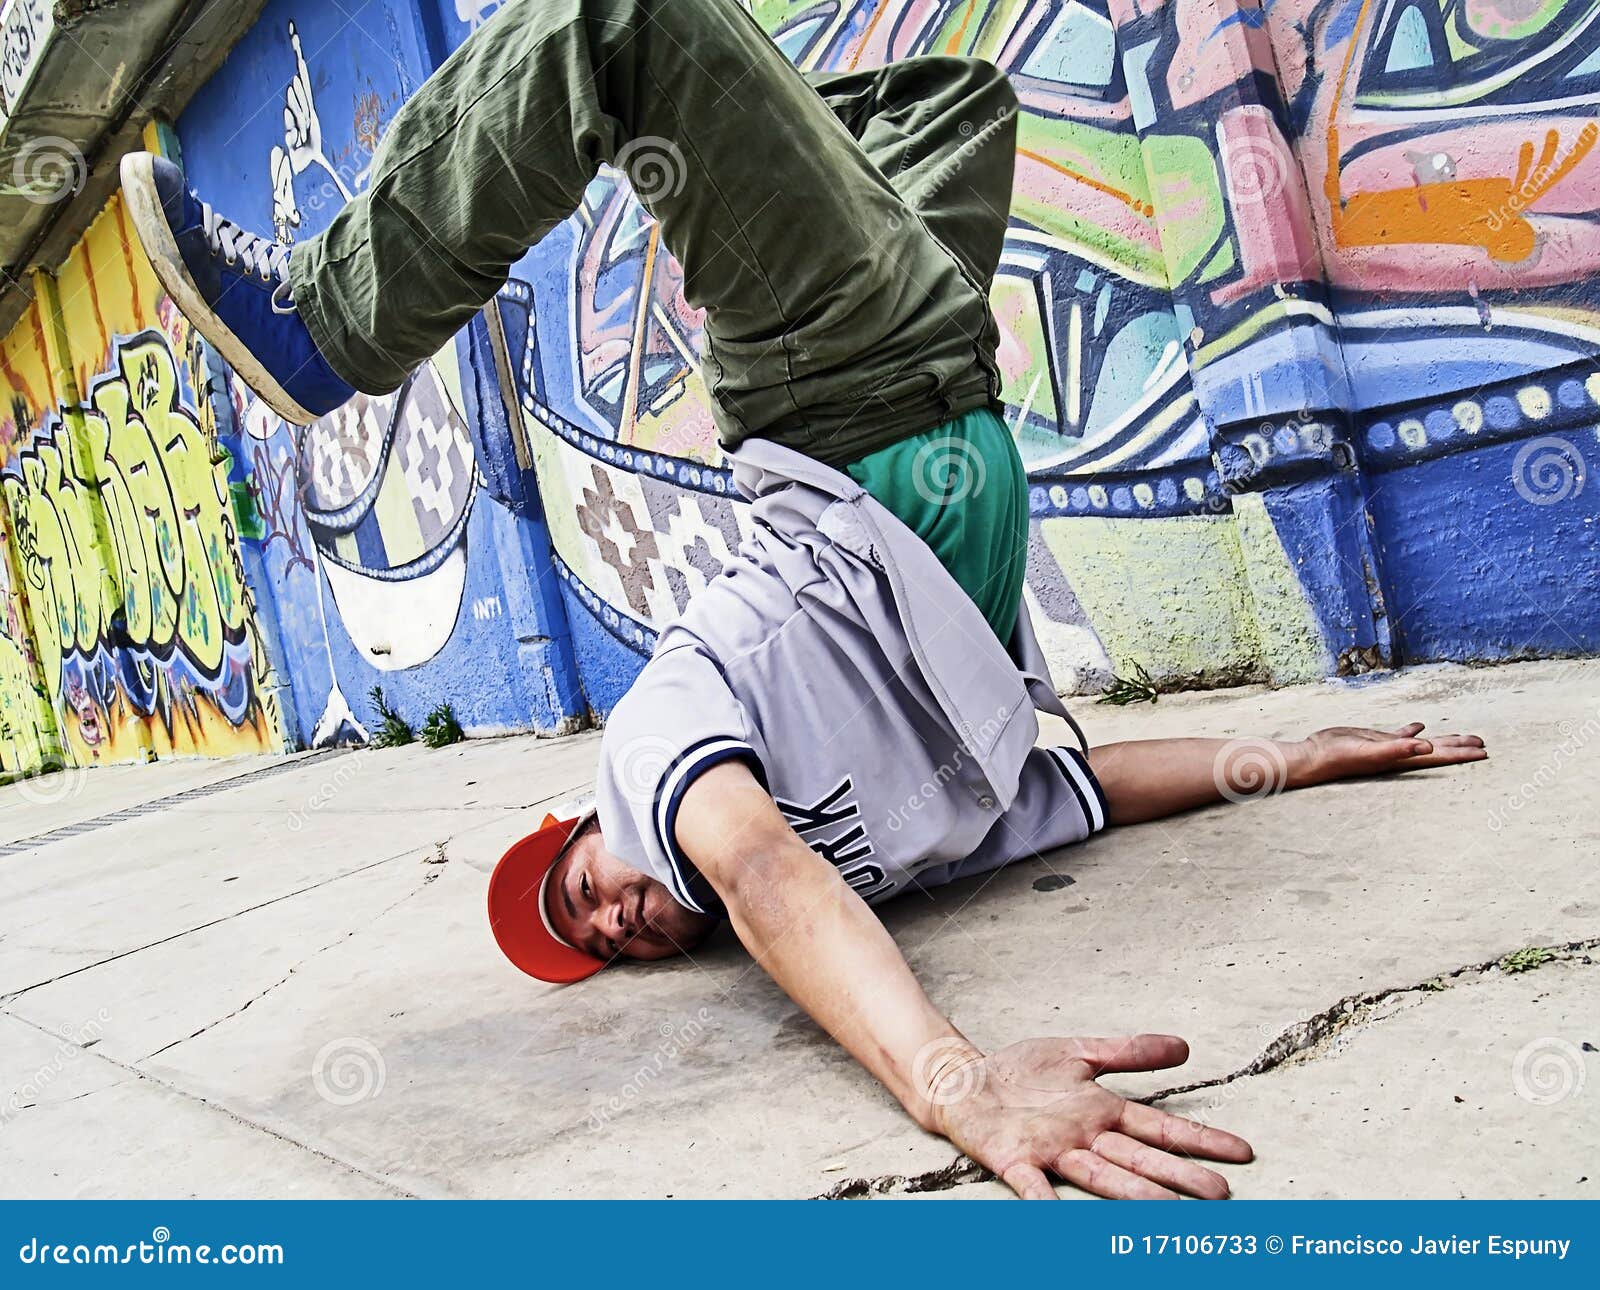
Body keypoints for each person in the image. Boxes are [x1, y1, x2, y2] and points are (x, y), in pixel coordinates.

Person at [121, 0, 1489, 1199]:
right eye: (607, 946)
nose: (609, 920)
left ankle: (334, 314)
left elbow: (759, 869)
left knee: (626, 22)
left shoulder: (658, 742)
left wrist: (952, 1084)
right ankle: (704, 154)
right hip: (944, 369)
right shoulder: (886, 863)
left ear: (589, 823)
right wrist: (1281, 756)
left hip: (840, 399)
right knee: (958, 102)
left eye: (581, 888)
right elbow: (1074, 781)